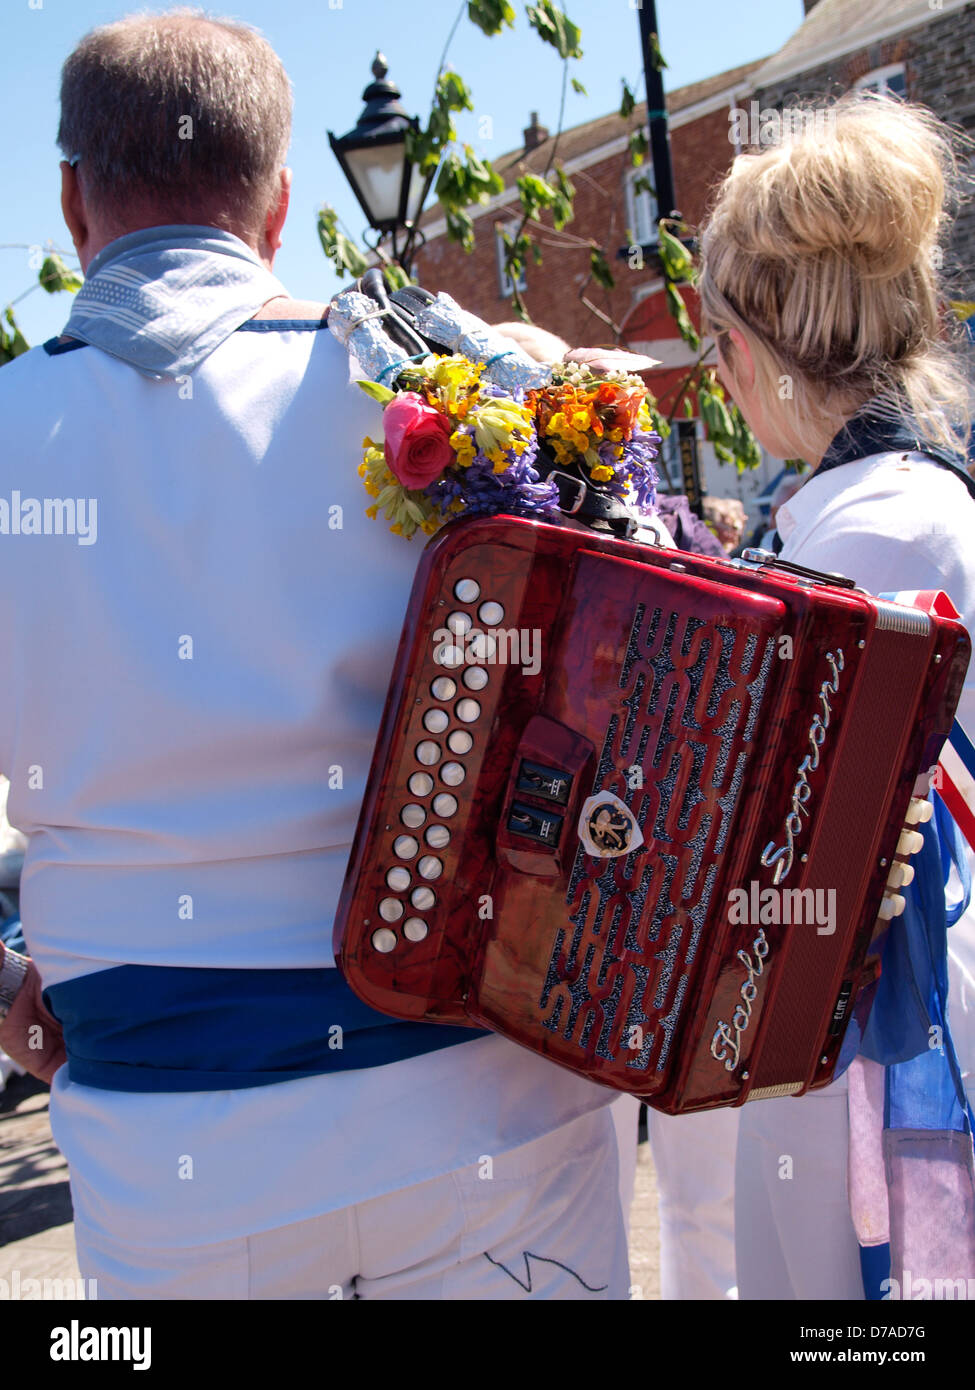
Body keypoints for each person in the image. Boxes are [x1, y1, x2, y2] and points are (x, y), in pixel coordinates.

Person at [0, 9, 631, 1300]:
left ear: (71, 200)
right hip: (485, 1104)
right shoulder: (454, 398)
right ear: (280, 202)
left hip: (169, 1147)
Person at [698, 90, 975, 1299]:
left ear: (750, 352)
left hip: (879, 1063)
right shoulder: (925, 504)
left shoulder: (848, 548)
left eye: (715, 344)